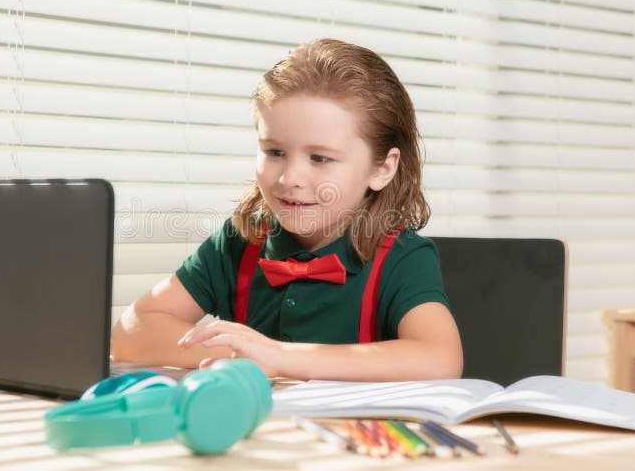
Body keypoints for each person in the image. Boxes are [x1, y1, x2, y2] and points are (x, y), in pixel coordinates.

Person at [112, 39, 463, 381]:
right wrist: (246, 355)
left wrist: (280, 358)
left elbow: (440, 359)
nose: (290, 177)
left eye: (320, 158)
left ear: (382, 169)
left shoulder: (403, 258)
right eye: (274, 151)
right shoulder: (239, 241)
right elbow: (131, 333)